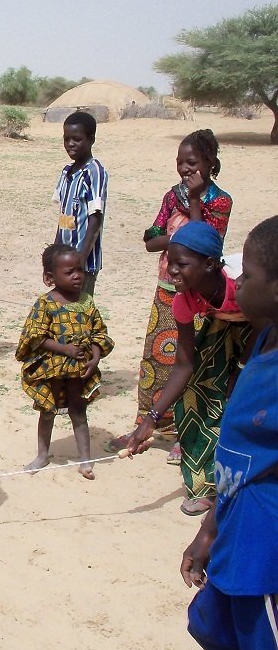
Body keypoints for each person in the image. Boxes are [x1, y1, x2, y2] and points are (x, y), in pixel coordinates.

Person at [177, 216, 278, 650]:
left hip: (265, 554)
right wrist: (211, 529)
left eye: (250, 275)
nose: (239, 280)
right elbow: (244, 455)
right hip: (234, 533)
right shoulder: (264, 339)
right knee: (214, 636)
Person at [106, 130, 232, 460]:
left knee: (193, 360)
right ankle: (144, 425)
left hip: (202, 295)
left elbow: (203, 241)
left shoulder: (220, 201)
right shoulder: (170, 196)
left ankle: (184, 434)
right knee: (155, 360)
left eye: (192, 163)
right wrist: (177, 234)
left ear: (210, 163)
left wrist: (191, 206)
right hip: (167, 286)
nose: (184, 169)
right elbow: (150, 240)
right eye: (180, 162)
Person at [125, 221, 255, 515]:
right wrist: (152, 418)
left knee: (246, 397)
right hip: (225, 321)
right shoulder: (184, 300)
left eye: (180, 264)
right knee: (196, 392)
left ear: (209, 264)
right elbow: (184, 365)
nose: (171, 271)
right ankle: (205, 486)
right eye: (170, 263)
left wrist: (242, 369)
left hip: (263, 325)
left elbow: (268, 322)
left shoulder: (242, 283)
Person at [17, 244, 114, 479]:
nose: (77, 275)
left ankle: (86, 460)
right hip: (52, 368)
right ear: (50, 277)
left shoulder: (87, 303)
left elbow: (99, 334)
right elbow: (35, 337)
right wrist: (64, 349)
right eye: (69, 272)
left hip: (79, 369)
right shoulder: (45, 304)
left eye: (79, 270)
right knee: (47, 411)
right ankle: (42, 456)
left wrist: (95, 357)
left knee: (79, 411)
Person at [53, 111, 107, 297]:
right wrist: (54, 256)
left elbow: (95, 219)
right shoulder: (67, 172)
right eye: (66, 139)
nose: (70, 144)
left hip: (82, 262)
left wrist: (81, 261)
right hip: (64, 260)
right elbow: (64, 219)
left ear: (91, 139)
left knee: (80, 316)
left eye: (76, 139)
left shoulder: (94, 172)